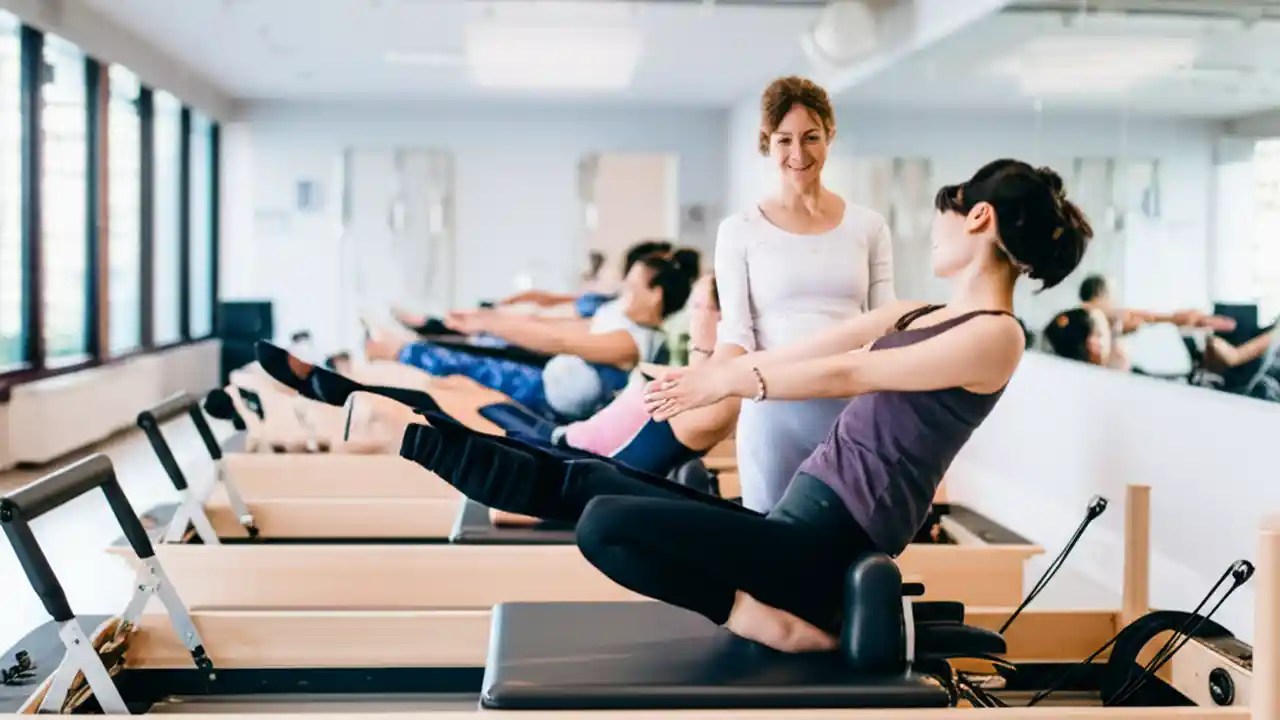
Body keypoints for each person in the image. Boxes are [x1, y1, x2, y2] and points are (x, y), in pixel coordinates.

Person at [397, 158, 1092, 654]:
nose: (934, 231)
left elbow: (848, 370)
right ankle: (416, 437)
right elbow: (812, 348)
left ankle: (765, 621)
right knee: (592, 481)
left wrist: (730, 385)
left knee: (605, 525)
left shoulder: (995, 337)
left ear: (979, 215)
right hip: (796, 515)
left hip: (831, 543)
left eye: (947, 214)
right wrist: (714, 372)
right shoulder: (922, 311)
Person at [708, 75, 896, 513]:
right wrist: (707, 381)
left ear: (830, 135)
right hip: (772, 412)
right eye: (784, 140)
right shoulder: (739, 231)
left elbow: (887, 324)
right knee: (772, 546)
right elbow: (736, 333)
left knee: (851, 543)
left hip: (851, 412)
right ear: (766, 143)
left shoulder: (867, 226)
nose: (798, 154)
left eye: (811, 137)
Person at [368, 250, 698, 422]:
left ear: (655, 295)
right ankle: (394, 349)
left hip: (547, 399)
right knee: (477, 357)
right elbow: (559, 331)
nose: (624, 290)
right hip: (545, 379)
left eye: (632, 286)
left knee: (470, 367)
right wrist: (493, 320)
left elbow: (560, 342)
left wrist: (490, 323)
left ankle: (393, 351)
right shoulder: (623, 321)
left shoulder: (633, 342)